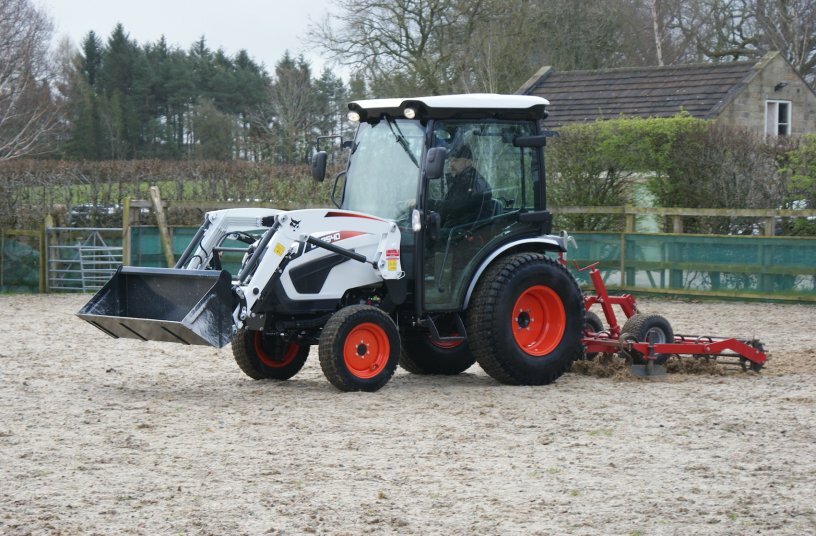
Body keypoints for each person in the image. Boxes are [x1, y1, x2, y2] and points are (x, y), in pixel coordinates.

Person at [437, 144, 492, 228]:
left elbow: (454, 206)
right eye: (450, 161)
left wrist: (431, 204)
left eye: (455, 160)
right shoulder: (459, 181)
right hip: (456, 230)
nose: (451, 165)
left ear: (468, 162)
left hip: (466, 233)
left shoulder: (475, 183)